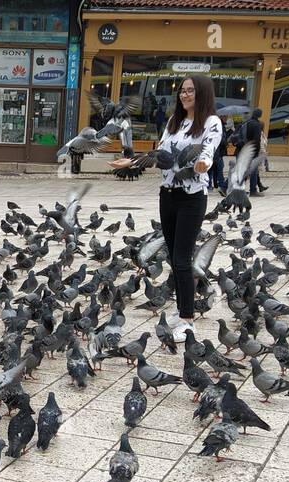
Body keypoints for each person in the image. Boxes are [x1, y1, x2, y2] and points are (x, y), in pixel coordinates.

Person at [109, 74, 222, 343]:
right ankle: (182, 311)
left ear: (202, 93)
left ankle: (187, 321)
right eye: (182, 91)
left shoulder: (210, 122)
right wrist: (132, 162)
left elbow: (208, 152)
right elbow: (160, 153)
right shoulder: (174, 122)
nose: (184, 95)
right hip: (168, 195)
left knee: (183, 259)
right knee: (173, 257)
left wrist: (203, 163)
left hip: (192, 198)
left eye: (190, 91)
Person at [240, 108, 267, 195]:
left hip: (246, 148)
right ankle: (253, 190)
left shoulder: (248, 122)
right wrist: (257, 151)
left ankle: (238, 188)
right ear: (259, 115)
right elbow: (257, 140)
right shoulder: (256, 125)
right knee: (253, 171)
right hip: (253, 150)